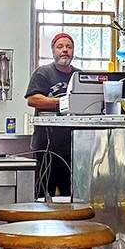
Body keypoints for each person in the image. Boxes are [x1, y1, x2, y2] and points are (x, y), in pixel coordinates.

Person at [25, 32, 78, 198]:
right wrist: (62, 102)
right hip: (46, 147)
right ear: (53, 51)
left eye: (68, 47)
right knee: (43, 195)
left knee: (72, 196)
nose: (64, 50)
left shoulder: (79, 76)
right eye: (60, 47)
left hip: (74, 148)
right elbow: (33, 99)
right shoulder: (43, 73)